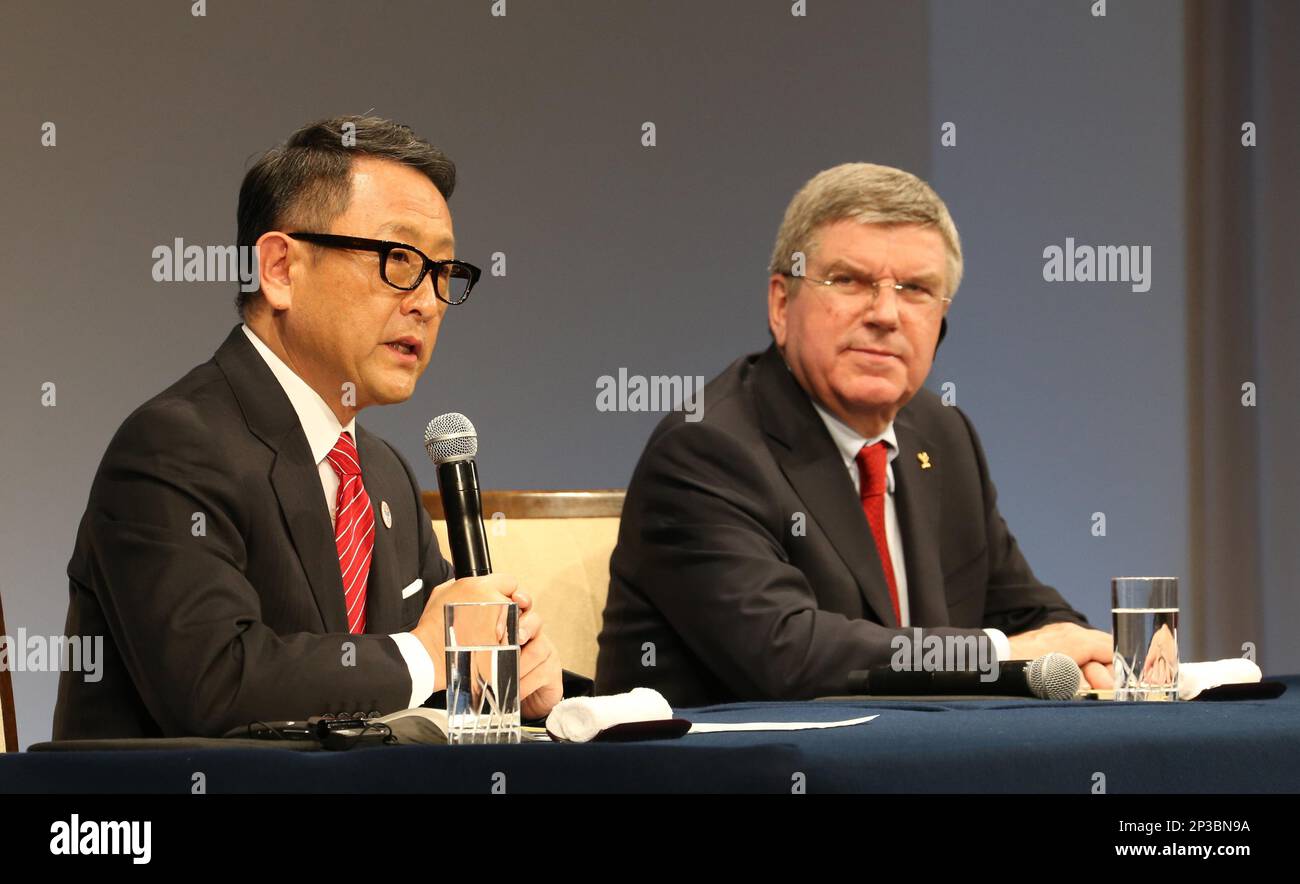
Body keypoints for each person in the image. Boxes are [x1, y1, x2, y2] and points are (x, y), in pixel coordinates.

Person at [53, 115, 562, 739]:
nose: (427, 302)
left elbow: (415, 685)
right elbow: (213, 684)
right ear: (280, 269)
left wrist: (517, 678)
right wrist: (433, 654)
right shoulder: (172, 447)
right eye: (398, 259)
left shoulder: (383, 473)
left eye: (443, 272)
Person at [595, 163, 1113, 706]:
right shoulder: (707, 450)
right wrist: (996, 655)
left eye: (915, 289)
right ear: (780, 304)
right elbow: (789, 654)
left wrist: (1088, 654)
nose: (885, 314)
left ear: (941, 321)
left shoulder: (942, 436)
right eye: (849, 281)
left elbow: (1029, 615)